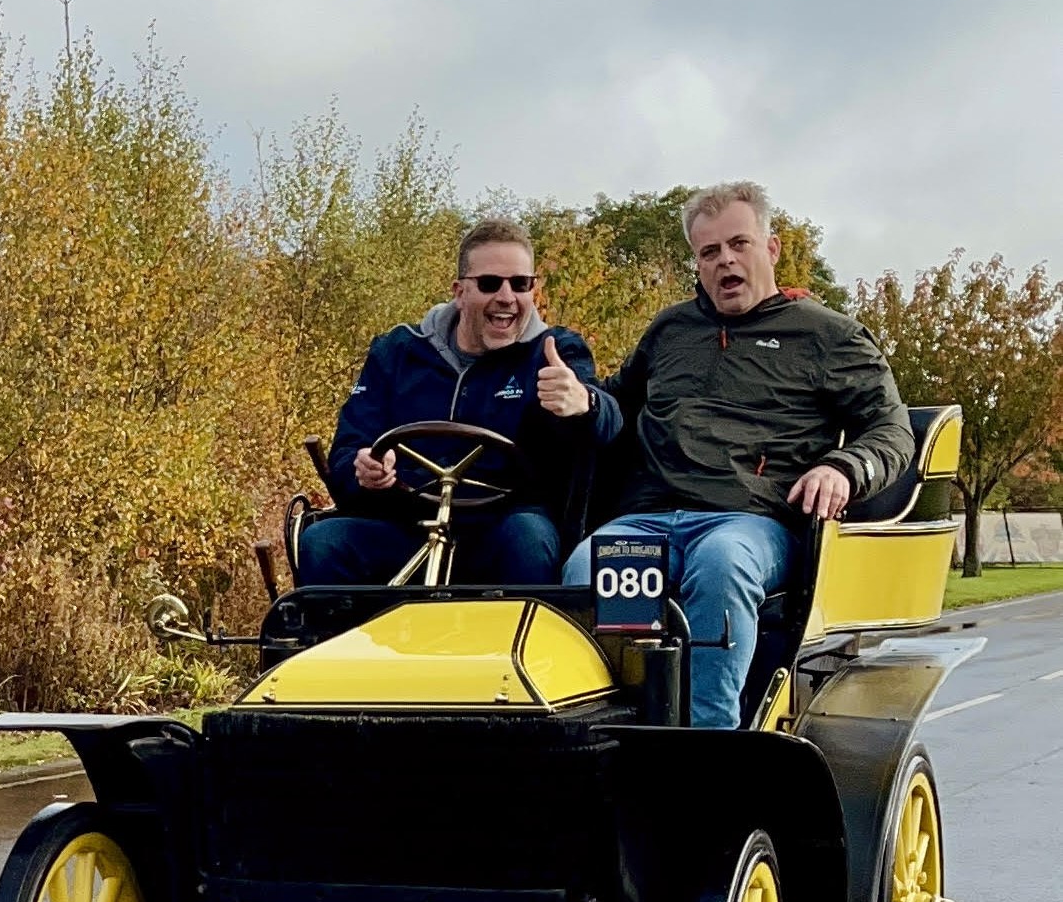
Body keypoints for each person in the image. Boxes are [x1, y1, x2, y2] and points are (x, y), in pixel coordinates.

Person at [565, 180, 914, 728]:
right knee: (586, 567)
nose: (725, 260)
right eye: (709, 252)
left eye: (738, 244)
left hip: (748, 522)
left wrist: (842, 467)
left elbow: (890, 429)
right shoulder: (670, 329)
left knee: (720, 563)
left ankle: (710, 741)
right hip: (650, 518)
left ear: (770, 249)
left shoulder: (829, 336)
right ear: (698, 264)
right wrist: (580, 398)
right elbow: (616, 400)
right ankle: (621, 731)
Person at [299, 217, 620, 586]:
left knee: (529, 538)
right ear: (459, 291)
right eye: (489, 283)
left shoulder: (555, 352)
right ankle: (341, 642)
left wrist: (585, 402)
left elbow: (610, 423)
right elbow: (349, 450)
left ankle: (519, 642)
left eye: (520, 284)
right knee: (323, 542)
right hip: (405, 525)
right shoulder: (397, 352)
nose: (506, 297)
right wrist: (366, 471)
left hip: (504, 528)